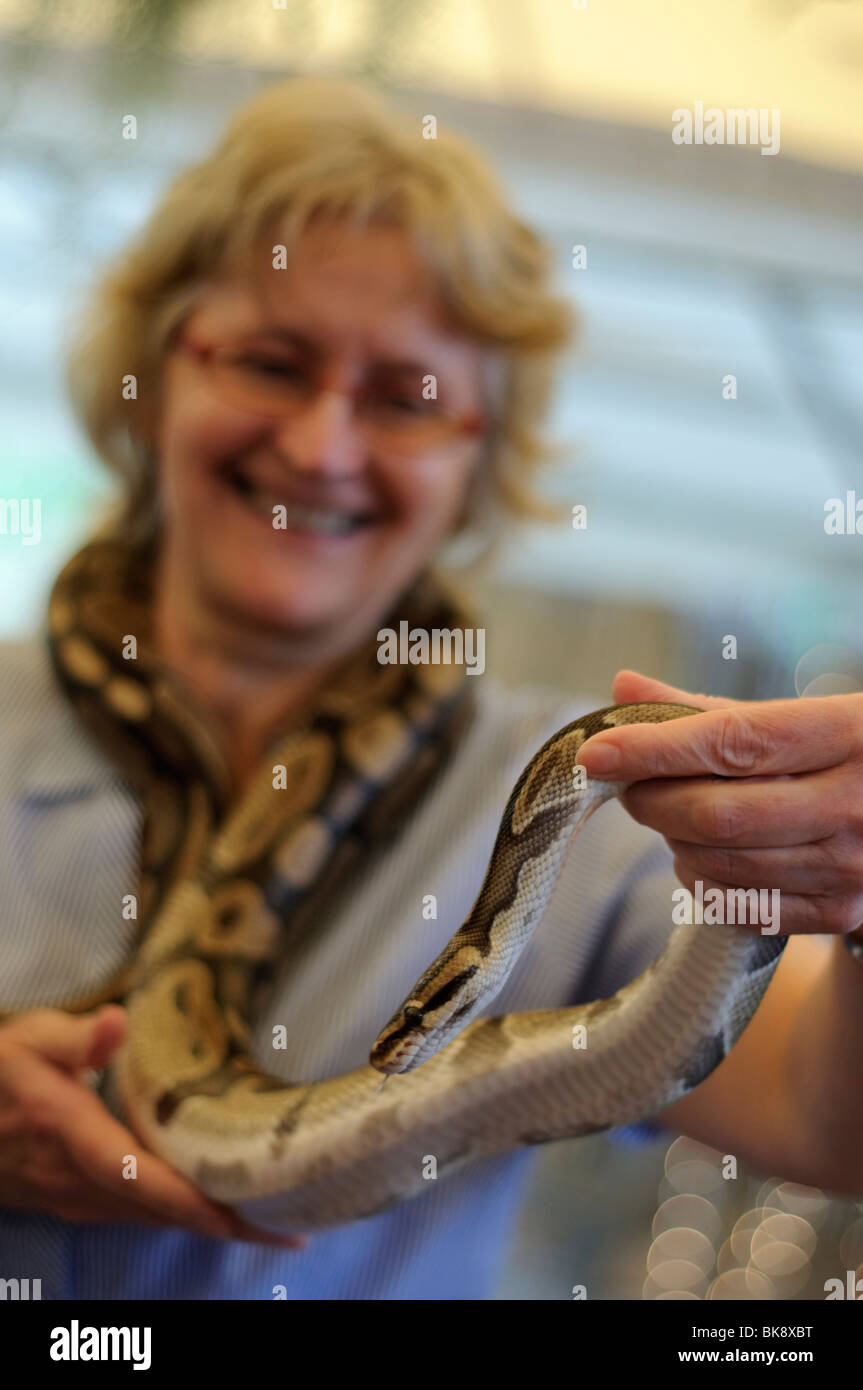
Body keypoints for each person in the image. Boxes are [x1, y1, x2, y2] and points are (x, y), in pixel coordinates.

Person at [1, 77, 861, 1302]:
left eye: (404, 398)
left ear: (478, 455)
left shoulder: (587, 792)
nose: (320, 446)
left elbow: (826, 1122)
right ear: (157, 374)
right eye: (269, 361)